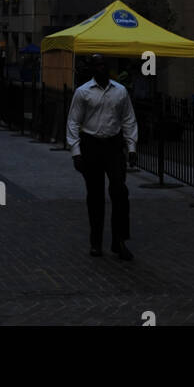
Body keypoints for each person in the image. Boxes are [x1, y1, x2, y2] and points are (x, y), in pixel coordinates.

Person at [67, 54, 138, 261]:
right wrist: (76, 152)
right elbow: (73, 122)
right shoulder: (82, 93)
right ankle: (96, 241)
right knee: (95, 195)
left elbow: (128, 119)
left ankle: (119, 240)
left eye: (104, 65)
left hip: (114, 146)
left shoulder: (120, 92)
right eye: (97, 65)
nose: (102, 69)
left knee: (120, 192)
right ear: (92, 69)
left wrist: (131, 147)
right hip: (91, 145)